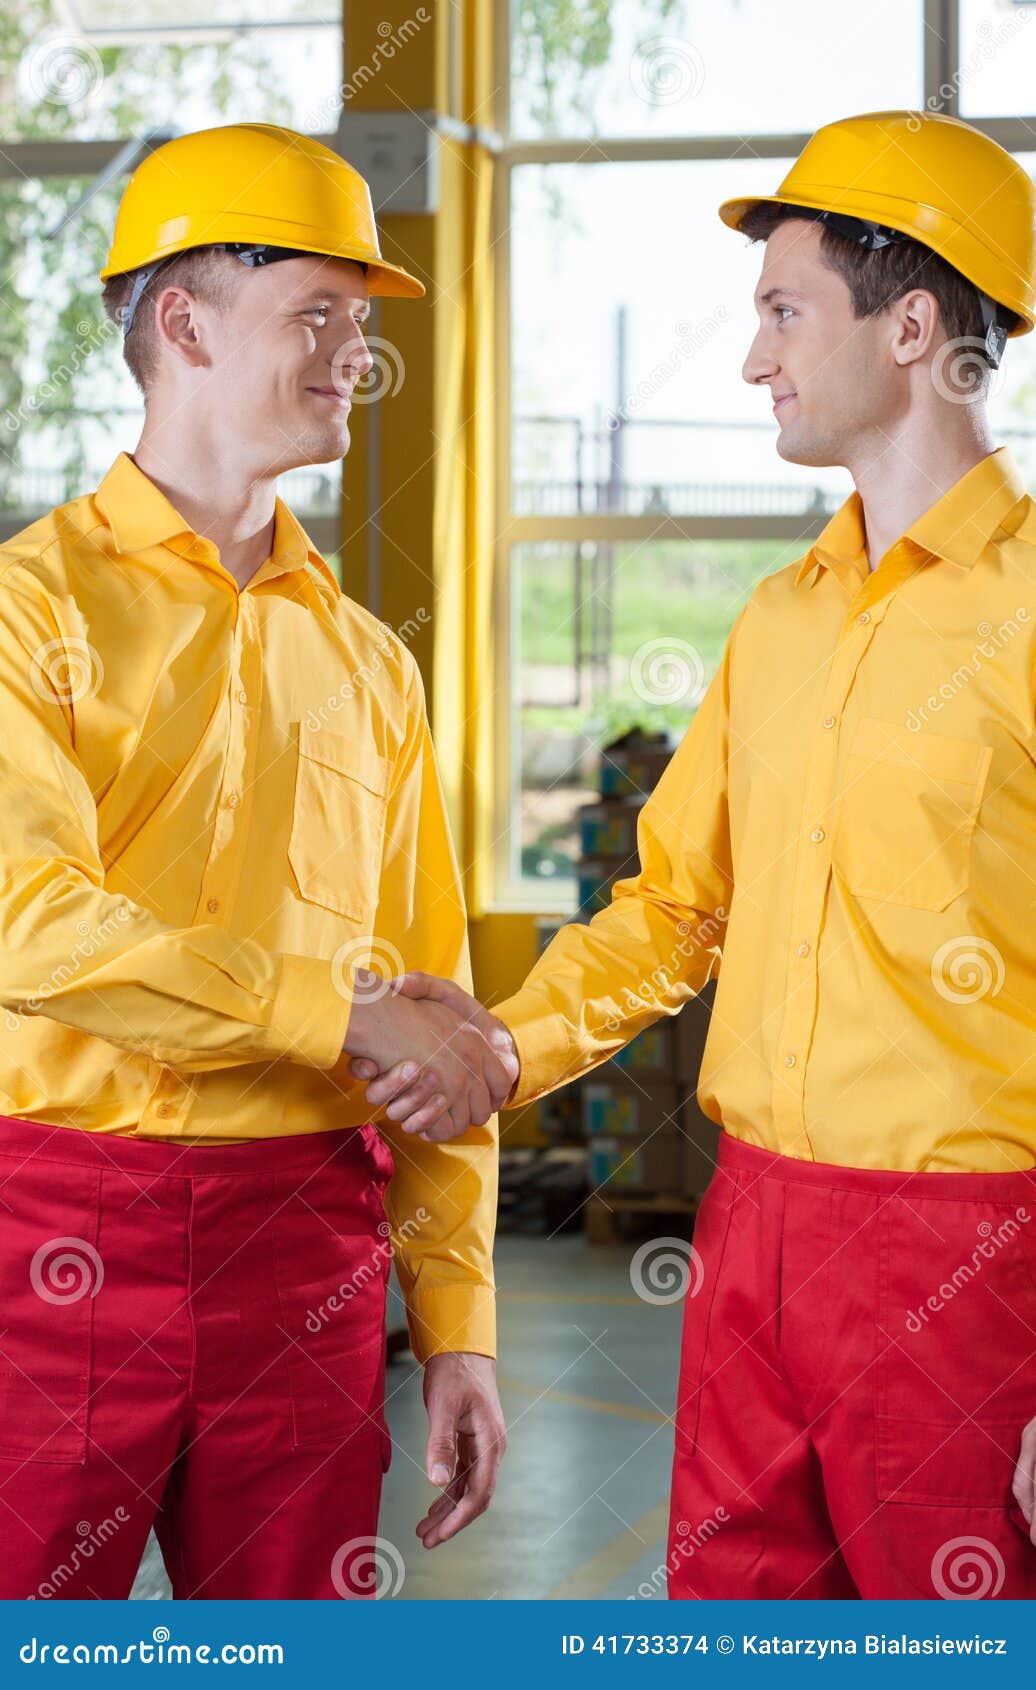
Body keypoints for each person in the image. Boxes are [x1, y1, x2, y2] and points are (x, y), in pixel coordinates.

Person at [354, 110, 1036, 1599]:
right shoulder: (780, 622)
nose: (752, 359)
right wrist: (497, 1051)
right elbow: (673, 910)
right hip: (751, 1246)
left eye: (784, 311)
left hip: (978, 1263)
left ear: (913, 324)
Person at [0, 121, 515, 1600]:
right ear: (183, 322)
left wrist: (459, 1316)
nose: (356, 354)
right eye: (320, 317)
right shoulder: (28, 617)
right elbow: (29, 927)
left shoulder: (367, 665)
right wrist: (340, 1013)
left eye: (359, 326)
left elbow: (438, 1017)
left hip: (309, 1256)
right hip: (55, 1244)